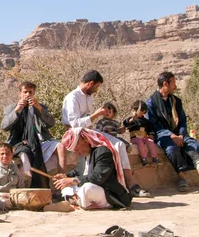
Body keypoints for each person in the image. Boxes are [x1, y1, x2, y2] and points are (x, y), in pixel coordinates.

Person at [61, 70, 150, 198]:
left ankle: (128, 183)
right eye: (96, 86)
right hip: (75, 133)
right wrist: (97, 114)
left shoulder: (89, 97)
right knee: (113, 144)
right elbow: (75, 124)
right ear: (91, 83)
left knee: (119, 145)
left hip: (87, 132)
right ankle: (126, 184)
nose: (97, 90)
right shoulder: (72, 97)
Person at [146, 71, 199, 193]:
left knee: (195, 146)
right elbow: (154, 125)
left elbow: (182, 120)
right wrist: (171, 135)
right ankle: (182, 178)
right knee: (172, 149)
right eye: (173, 83)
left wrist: (181, 134)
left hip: (180, 134)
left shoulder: (176, 101)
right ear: (165, 84)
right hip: (163, 136)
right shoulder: (150, 103)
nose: (175, 86)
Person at [1, 81, 67, 187]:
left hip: (40, 140)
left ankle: (63, 179)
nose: (28, 95)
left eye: (30, 92)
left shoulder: (41, 107)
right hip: (19, 142)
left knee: (60, 146)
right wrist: (17, 110)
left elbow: (51, 123)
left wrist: (39, 109)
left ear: (34, 93)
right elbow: (4, 126)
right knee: (25, 153)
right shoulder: (11, 108)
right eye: (25, 92)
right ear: (20, 93)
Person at [54, 127, 133, 210]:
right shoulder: (83, 155)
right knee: (65, 186)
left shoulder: (103, 152)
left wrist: (71, 180)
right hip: (89, 188)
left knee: (87, 188)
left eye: (77, 149)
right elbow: (78, 171)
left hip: (108, 193)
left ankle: (78, 200)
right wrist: (65, 176)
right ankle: (80, 200)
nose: (77, 153)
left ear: (85, 140)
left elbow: (97, 178)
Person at [0, 142, 27, 211]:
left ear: (12, 155)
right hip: (1, 199)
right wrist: (5, 195)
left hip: (16, 198)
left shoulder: (15, 168)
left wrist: (19, 196)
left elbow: (21, 186)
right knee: (3, 202)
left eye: (7, 154)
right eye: (2, 154)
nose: (5, 156)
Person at [123, 100, 160, 167]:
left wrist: (151, 135)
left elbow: (150, 129)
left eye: (137, 110)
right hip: (135, 138)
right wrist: (132, 120)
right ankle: (144, 158)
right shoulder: (131, 120)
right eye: (134, 110)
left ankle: (154, 157)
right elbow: (125, 124)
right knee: (140, 142)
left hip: (144, 137)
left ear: (143, 112)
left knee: (151, 142)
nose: (135, 112)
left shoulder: (146, 121)